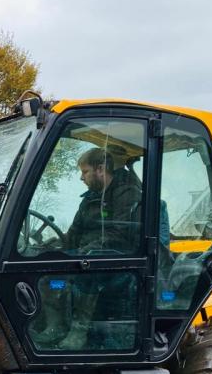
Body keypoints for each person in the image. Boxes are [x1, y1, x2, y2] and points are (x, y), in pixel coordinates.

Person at [33, 146, 142, 350]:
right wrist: (51, 247)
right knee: (46, 271)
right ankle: (55, 326)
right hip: (88, 254)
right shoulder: (90, 198)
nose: (81, 178)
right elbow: (73, 234)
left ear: (100, 169)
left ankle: (79, 331)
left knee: (87, 268)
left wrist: (86, 251)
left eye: (84, 172)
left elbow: (120, 234)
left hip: (117, 258)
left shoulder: (127, 193)